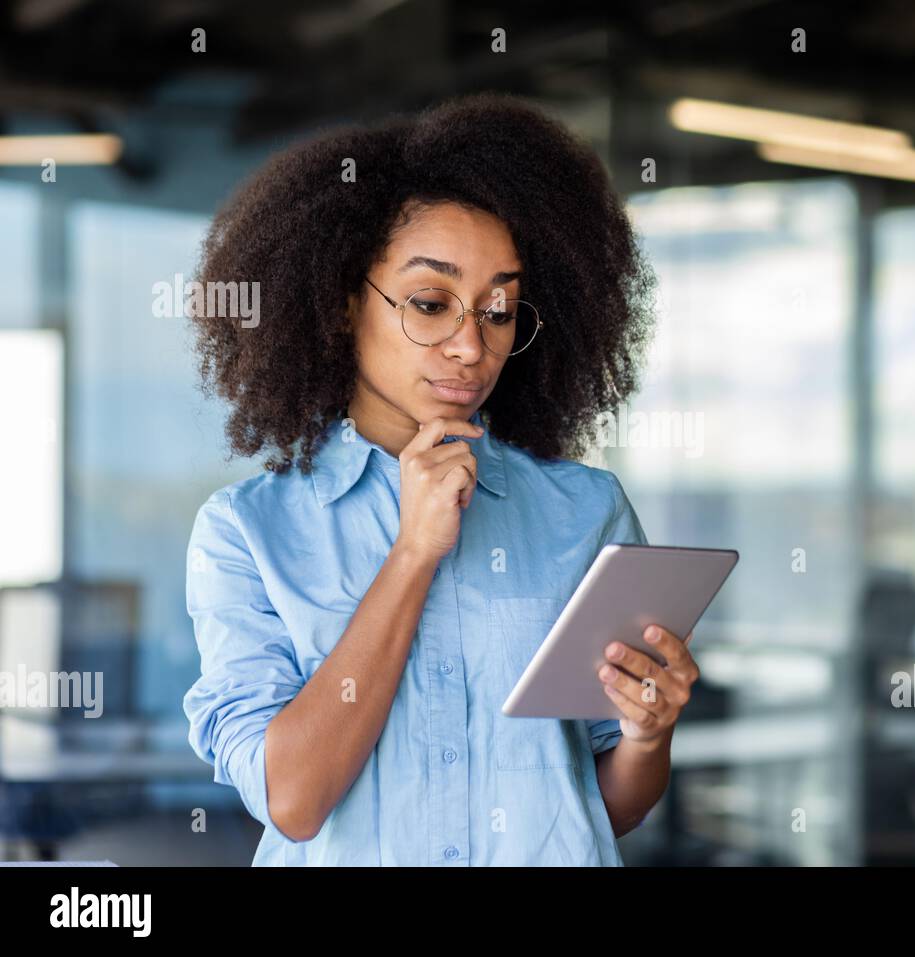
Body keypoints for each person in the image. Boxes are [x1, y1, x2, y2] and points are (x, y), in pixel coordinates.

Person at [181, 92, 699, 865]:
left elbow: (604, 805)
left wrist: (648, 733)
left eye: (498, 311)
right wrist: (414, 551)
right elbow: (292, 797)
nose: (469, 344)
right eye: (430, 303)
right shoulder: (246, 533)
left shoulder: (585, 512)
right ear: (343, 301)